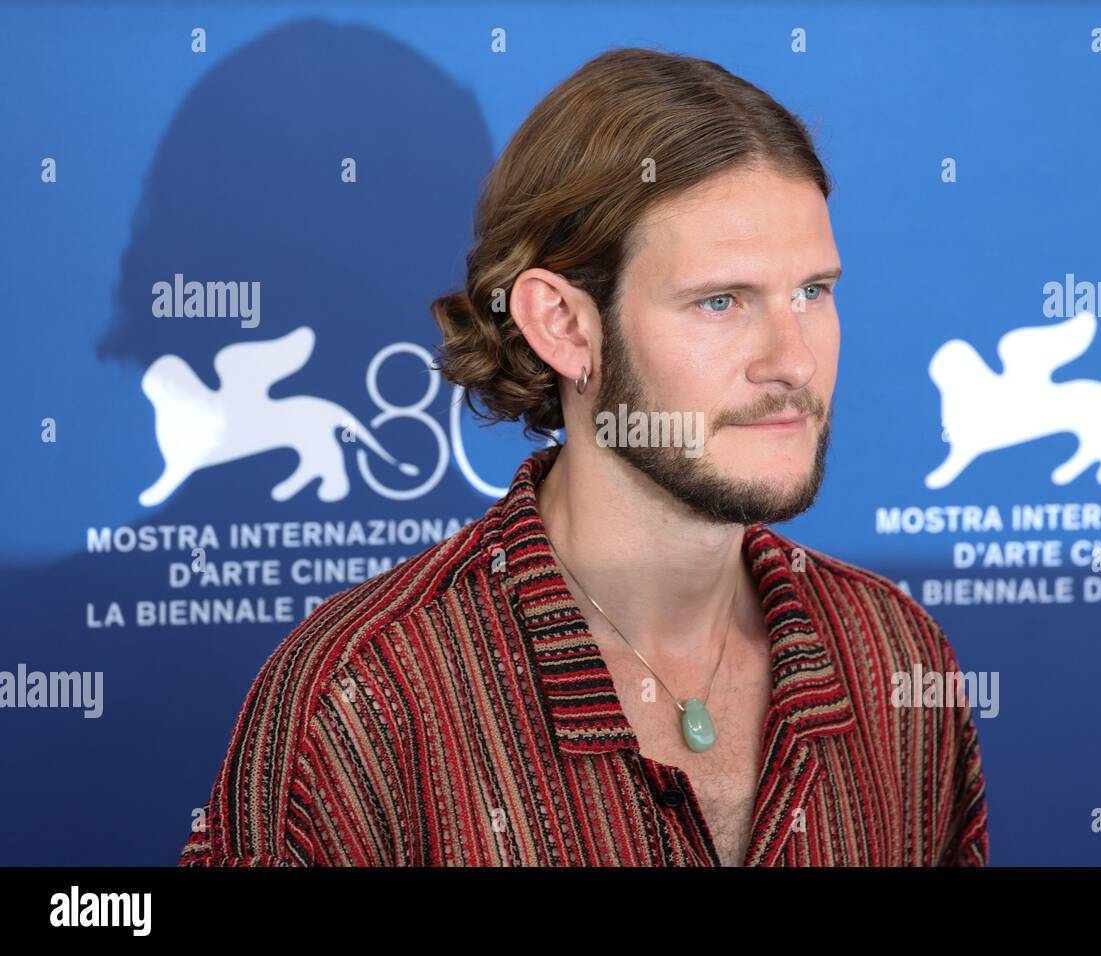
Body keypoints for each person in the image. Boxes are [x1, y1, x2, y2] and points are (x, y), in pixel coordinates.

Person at [180, 45, 988, 867]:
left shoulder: (896, 660)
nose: (796, 361)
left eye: (813, 292)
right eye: (720, 301)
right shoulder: (365, 701)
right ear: (563, 326)